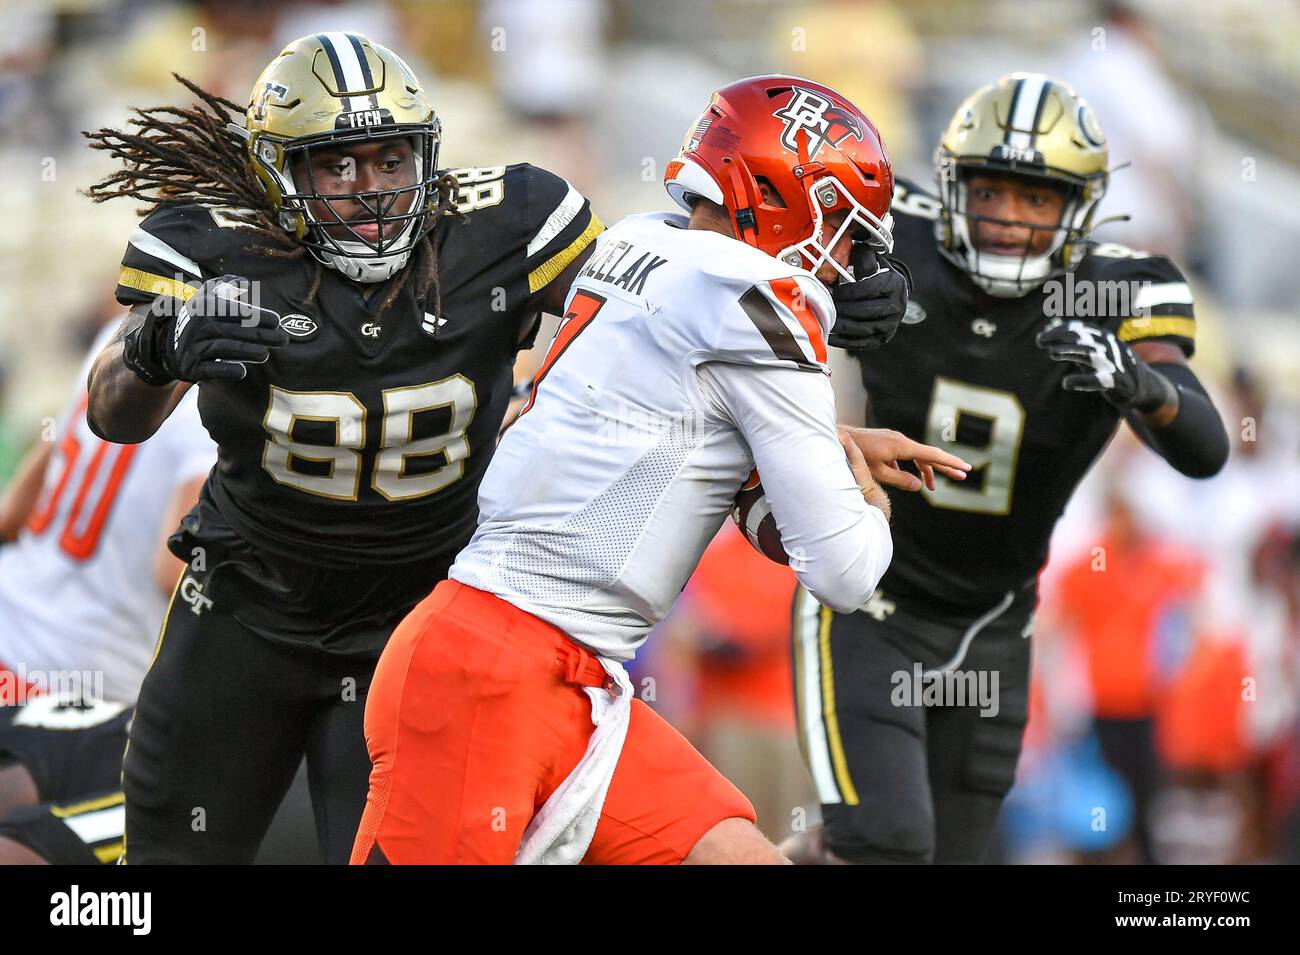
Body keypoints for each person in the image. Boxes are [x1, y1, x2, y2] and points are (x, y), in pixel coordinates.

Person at [350, 75, 966, 865]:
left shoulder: (640, 240)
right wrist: (866, 495)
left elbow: (672, 428)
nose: (848, 259)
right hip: (490, 674)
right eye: (843, 226)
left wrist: (824, 435)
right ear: (785, 194)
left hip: (569, 678)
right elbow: (845, 570)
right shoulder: (760, 296)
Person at [82, 32, 607, 864]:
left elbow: (655, 341)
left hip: (416, 620)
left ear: (426, 155)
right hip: (245, 606)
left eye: (391, 159)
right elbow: (115, 415)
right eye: (338, 166)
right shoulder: (218, 250)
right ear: (278, 172)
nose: (370, 190)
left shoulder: (505, 229)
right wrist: (156, 345)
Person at [783, 72, 1229, 864]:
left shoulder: (1121, 290)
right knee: (887, 843)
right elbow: (734, 259)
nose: (1008, 219)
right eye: (990, 191)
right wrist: (807, 298)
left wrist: (1140, 383)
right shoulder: (891, 237)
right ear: (955, 182)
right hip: (866, 596)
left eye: (1037, 200)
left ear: (1080, 208)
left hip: (996, 622)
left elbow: (1203, 447)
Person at [0, 322, 215, 864]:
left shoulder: (117, 339)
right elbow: (176, 573)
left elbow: (14, 513)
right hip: (77, 689)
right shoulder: (220, 401)